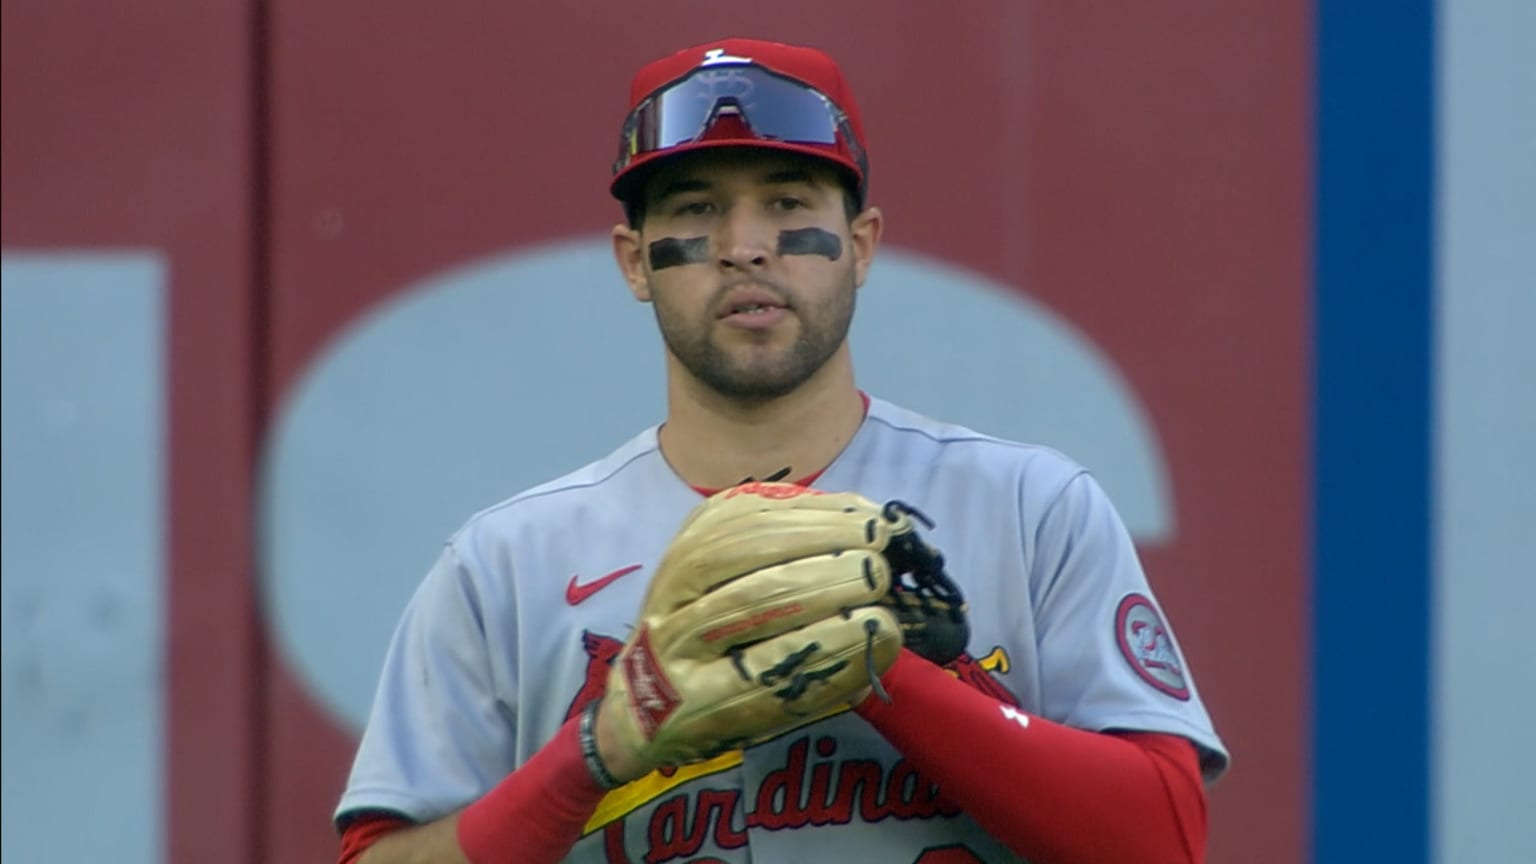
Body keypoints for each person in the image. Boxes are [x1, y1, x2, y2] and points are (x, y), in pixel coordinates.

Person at [333, 36, 1229, 864]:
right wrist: (597, 751)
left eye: (788, 202)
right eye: (697, 208)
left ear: (861, 245)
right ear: (635, 261)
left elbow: (1164, 838)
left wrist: (882, 676)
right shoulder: (506, 564)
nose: (745, 247)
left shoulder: (1031, 508)